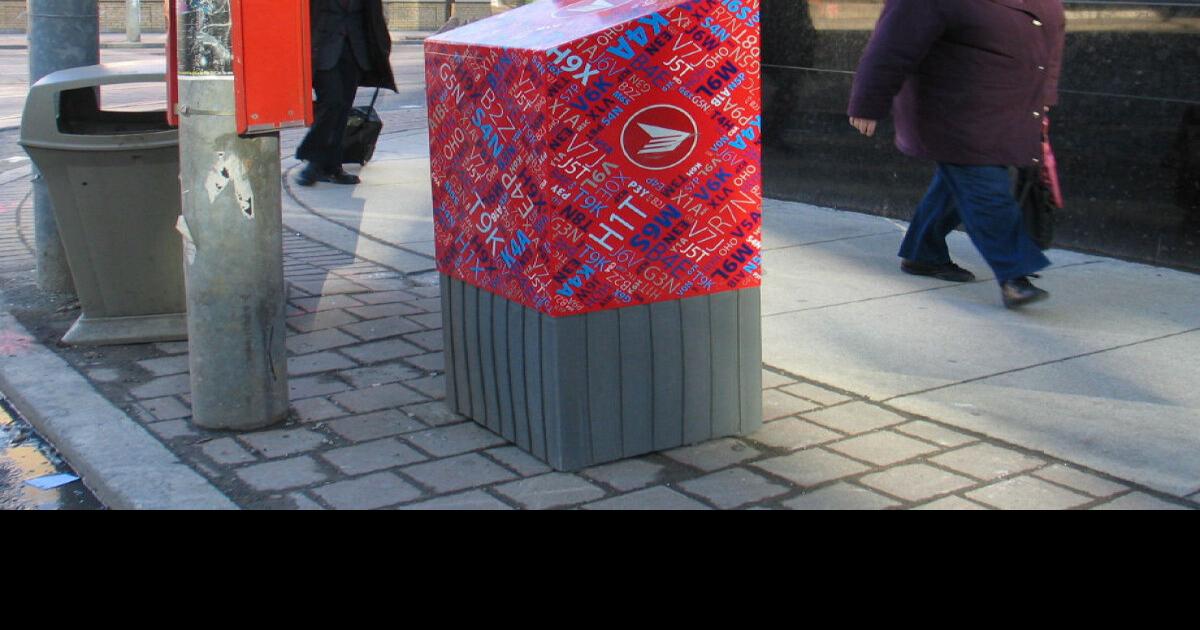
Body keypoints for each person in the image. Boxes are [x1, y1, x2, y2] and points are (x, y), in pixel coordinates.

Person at [847, 0, 1066, 308]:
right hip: (953, 113)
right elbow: (891, 46)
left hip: (1007, 111)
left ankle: (923, 253)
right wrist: (867, 103)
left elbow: (1050, 48)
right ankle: (1014, 273)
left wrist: (1043, 101)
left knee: (956, 185)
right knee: (986, 189)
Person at [296, 0, 397, 186]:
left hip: (354, 51)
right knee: (332, 102)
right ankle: (313, 159)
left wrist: (381, 47)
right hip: (323, 50)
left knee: (343, 109)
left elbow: (374, 14)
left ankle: (332, 168)